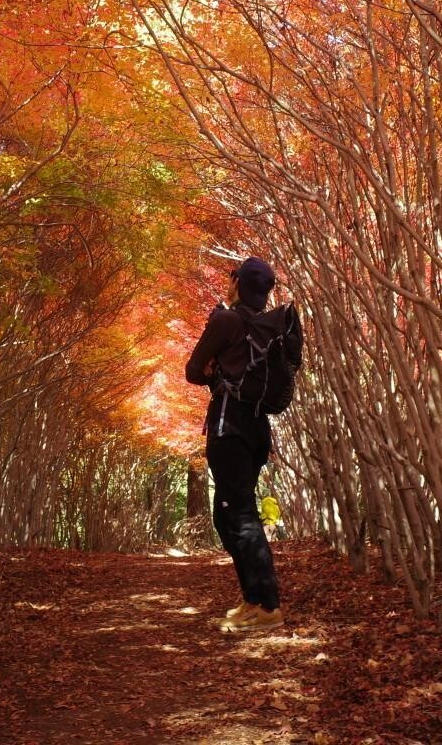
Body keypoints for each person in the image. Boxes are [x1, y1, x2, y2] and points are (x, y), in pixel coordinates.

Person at [186, 256, 295, 633]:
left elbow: (192, 371)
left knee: (242, 516)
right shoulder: (267, 326)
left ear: (237, 282)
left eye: (231, 277)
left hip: (227, 427)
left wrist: (215, 369)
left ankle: (268, 606)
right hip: (256, 430)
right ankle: (253, 598)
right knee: (226, 516)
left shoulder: (227, 320)